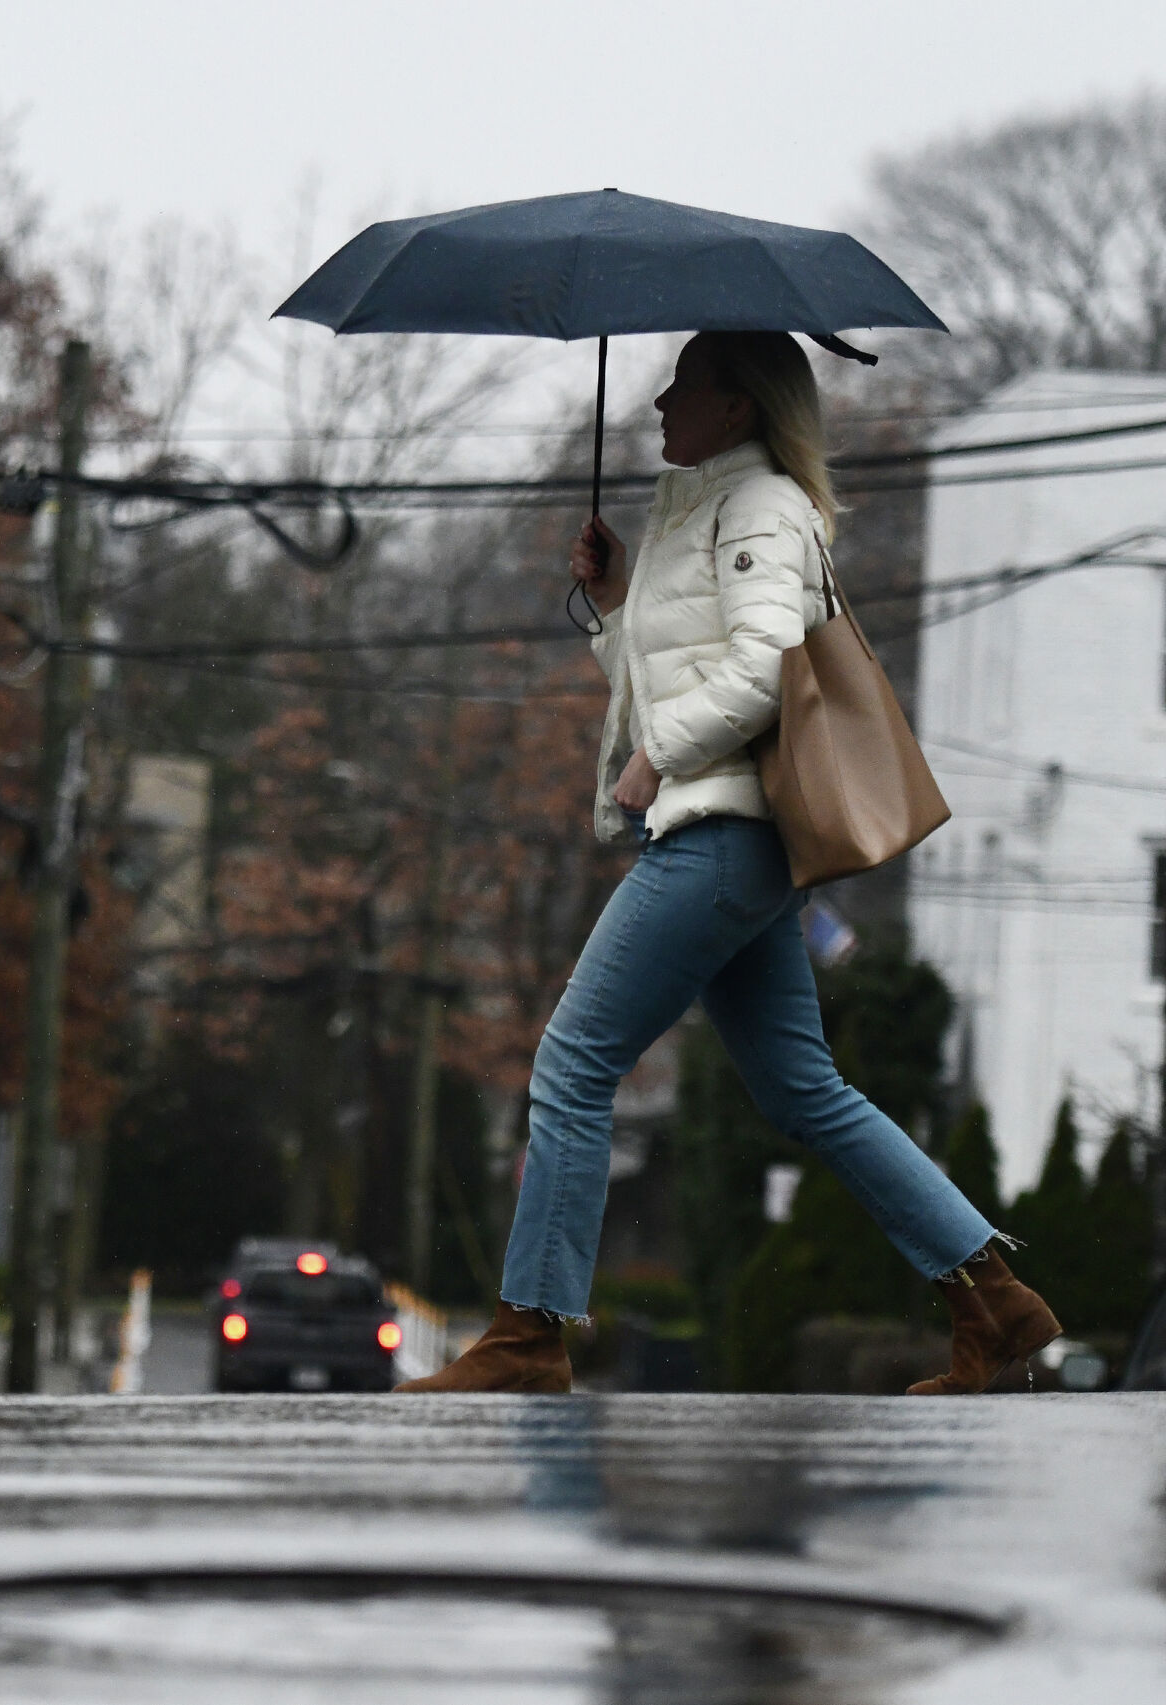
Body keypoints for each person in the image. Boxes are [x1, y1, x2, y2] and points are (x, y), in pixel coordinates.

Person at [397, 332, 1059, 1396]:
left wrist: (654, 761)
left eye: (684, 387)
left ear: (738, 407)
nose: (659, 401)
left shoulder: (759, 510)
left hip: (721, 836)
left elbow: (762, 675)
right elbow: (667, 680)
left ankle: (526, 1337)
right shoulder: (690, 513)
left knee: (571, 1064)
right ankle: (991, 1301)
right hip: (729, 841)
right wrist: (615, 603)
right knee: (805, 1090)